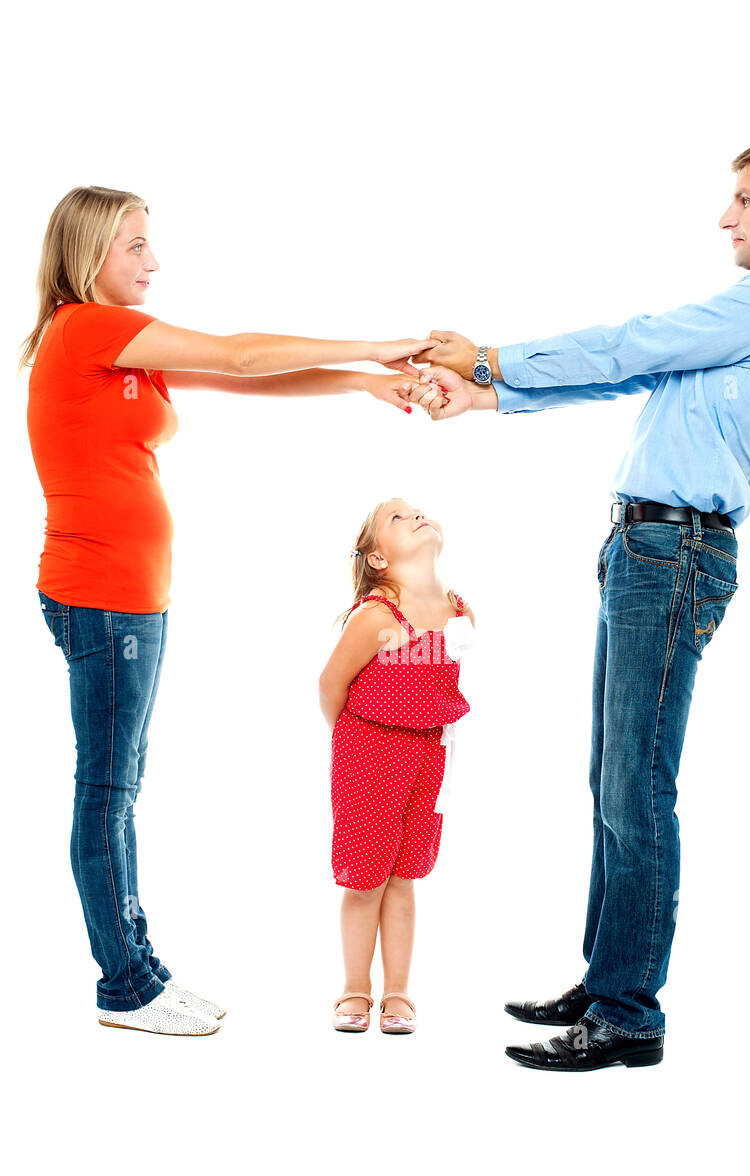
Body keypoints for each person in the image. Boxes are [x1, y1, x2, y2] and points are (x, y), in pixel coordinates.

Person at [404, 133, 750, 1072]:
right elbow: (641, 374)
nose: (724, 217)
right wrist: (485, 397)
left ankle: (627, 1013)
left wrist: (488, 356)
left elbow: (631, 343)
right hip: (647, 547)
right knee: (614, 779)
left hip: (673, 551)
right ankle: (606, 977)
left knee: (637, 787)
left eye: (743, 198)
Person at [20, 184, 445, 1037]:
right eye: (135, 246)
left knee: (118, 790)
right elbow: (243, 353)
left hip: (129, 603)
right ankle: (126, 988)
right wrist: (376, 343)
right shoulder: (86, 327)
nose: (153, 260)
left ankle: (139, 969)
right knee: (106, 793)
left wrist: (363, 384)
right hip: (101, 600)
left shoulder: (121, 345)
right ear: (87, 252)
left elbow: (252, 382)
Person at [319, 498, 475, 1035]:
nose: (417, 516)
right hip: (369, 753)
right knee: (366, 879)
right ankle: (355, 988)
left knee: (404, 876)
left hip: (428, 753)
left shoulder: (459, 612)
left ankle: (399, 991)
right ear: (378, 558)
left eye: (418, 511)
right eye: (397, 517)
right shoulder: (377, 618)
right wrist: (354, 745)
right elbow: (331, 686)